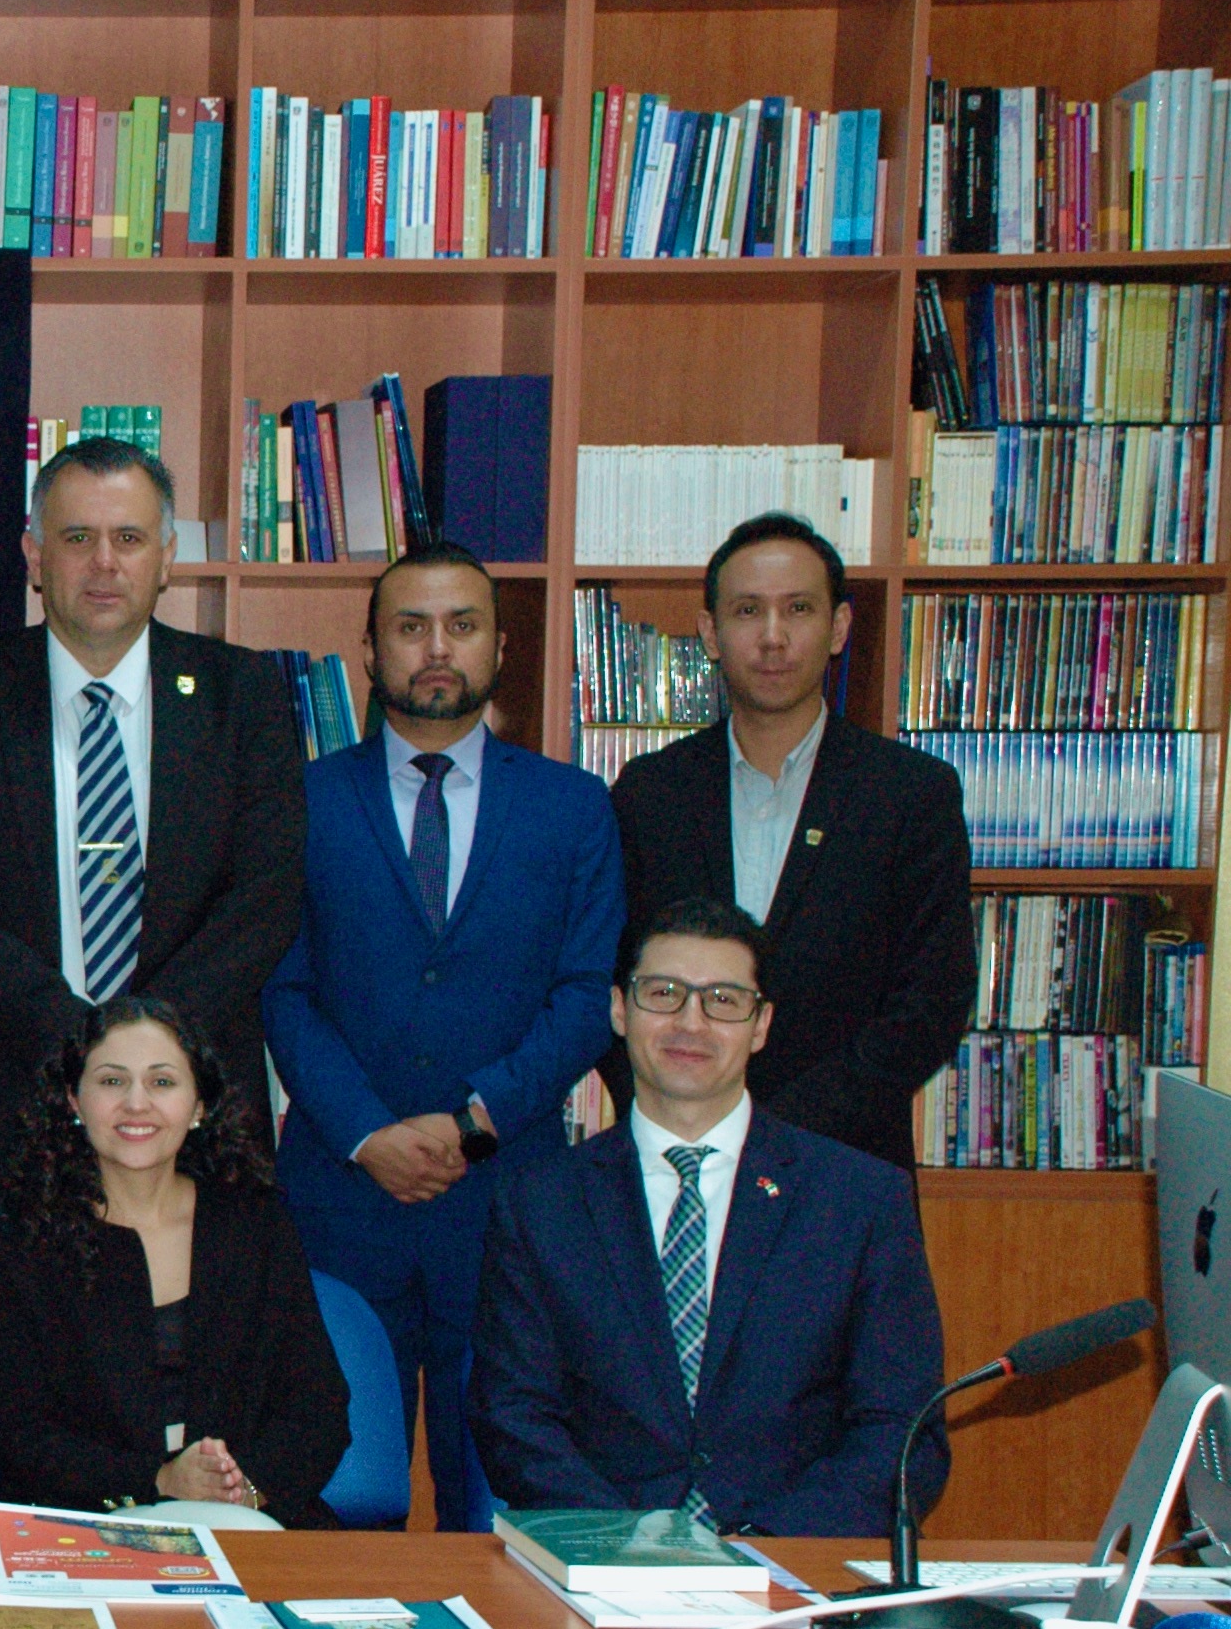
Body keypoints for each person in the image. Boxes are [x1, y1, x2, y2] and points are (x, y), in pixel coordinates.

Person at [262, 543, 622, 1532]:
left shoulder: (571, 805)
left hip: (508, 1205)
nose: (435, 648)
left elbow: (588, 994)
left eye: (460, 624)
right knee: (337, 1494)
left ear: (499, 644)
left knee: (500, 1504)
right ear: (368, 651)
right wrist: (366, 1131)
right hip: (339, 1196)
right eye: (408, 626)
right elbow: (280, 989)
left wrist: (474, 1121)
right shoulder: (298, 798)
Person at [0, 438, 305, 1232]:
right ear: (33, 555)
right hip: (3, 1100)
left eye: (128, 540)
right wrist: (71, 1037)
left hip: (196, 1119)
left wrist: (139, 1050)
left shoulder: (243, 694)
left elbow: (265, 894)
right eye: (76, 538)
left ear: (165, 558)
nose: (103, 564)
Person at [472, 897, 947, 1534]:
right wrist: (629, 1546)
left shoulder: (859, 1201)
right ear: (619, 1010)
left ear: (761, 1025)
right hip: (597, 1571)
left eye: (723, 999)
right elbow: (513, 1417)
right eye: (663, 993)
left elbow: (903, 1429)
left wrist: (766, 1551)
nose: (690, 1022)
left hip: (797, 1574)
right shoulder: (539, 1202)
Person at [608, 513, 973, 1171]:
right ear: (711, 634)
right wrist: (683, 1120)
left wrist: (770, 1132)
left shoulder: (910, 794)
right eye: (748, 611)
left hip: (843, 1168)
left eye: (798, 609)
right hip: (673, 1161)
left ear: (837, 628)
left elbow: (933, 1001)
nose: (772, 638)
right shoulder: (649, 792)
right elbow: (611, 981)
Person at [0, 997, 348, 1524]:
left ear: (199, 1105)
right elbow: (15, 1432)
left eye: (162, 1082)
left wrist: (239, 1490)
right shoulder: (28, 1239)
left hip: (253, 1518)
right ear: (73, 1101)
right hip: (80, 1526)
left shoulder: (254, 1224)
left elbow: (318, 1409)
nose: (136, 1103)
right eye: (111, 1082)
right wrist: (157, 1482)